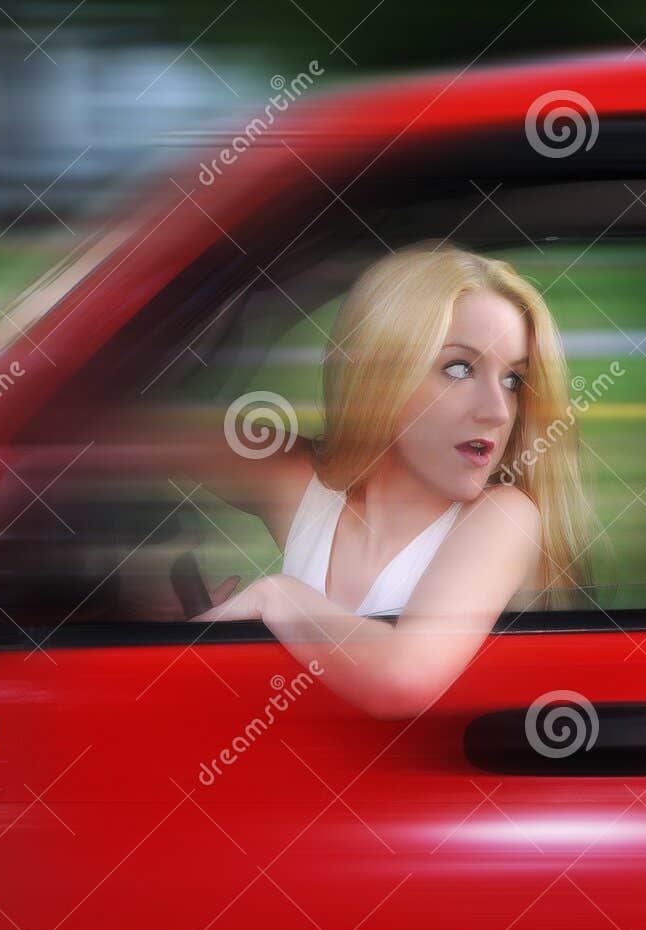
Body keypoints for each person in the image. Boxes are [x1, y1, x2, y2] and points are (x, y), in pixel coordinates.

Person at [188, 243, 595, 718]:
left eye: (513, 380)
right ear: (379, 372)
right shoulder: (304, 484)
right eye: (459, 369)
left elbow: (401, 680)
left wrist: (272, 598)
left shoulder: (504, 517)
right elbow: (126, 434)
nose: (497, 410)